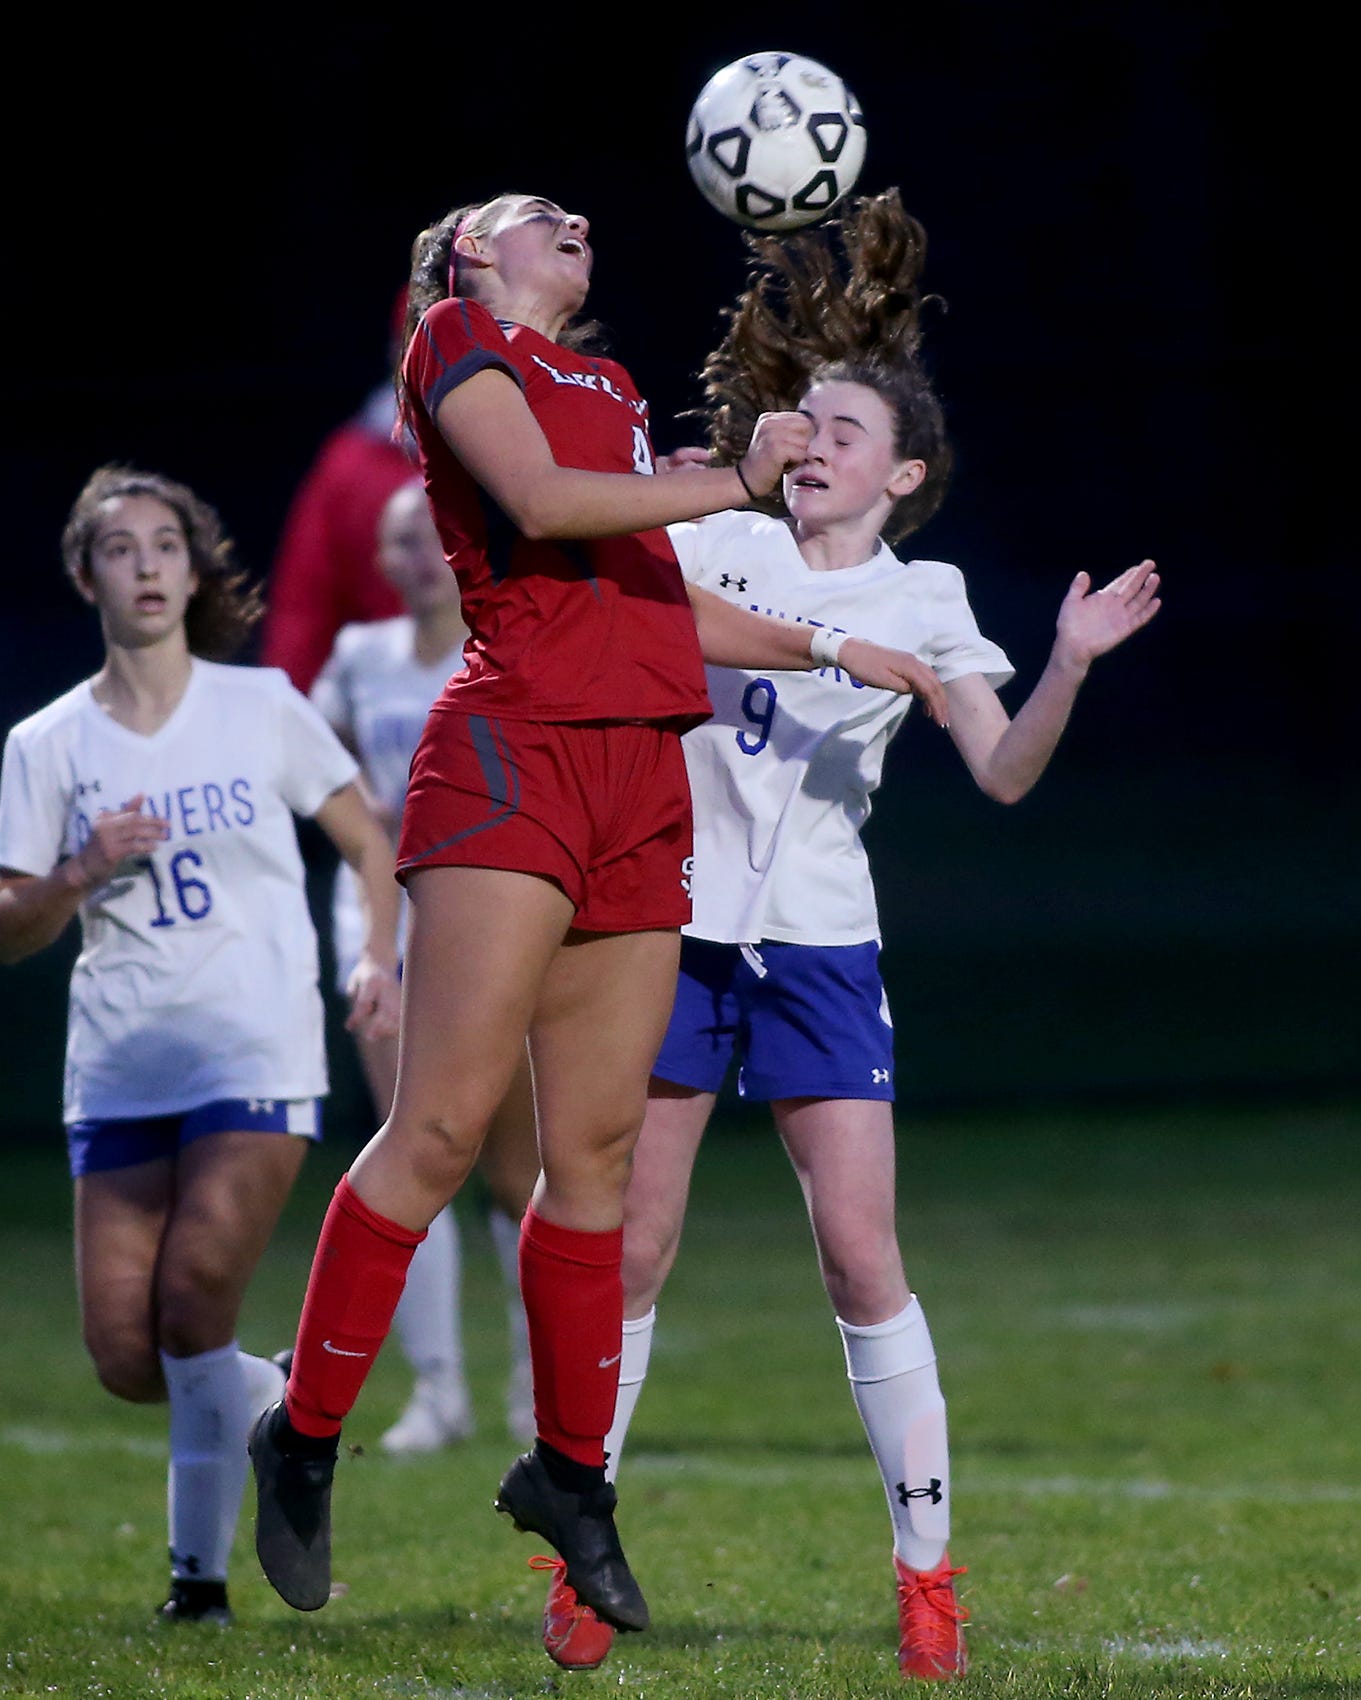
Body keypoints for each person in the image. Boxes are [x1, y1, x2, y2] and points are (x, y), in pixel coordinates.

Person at [247, 189, 950, 1649]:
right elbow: (554, 512)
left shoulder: (613, 388)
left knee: (602, 1158)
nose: (568, 218)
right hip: (517, 752)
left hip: (640, 771)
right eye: (529, 213)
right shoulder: (454, 338)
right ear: (467, 257)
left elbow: (646, 599)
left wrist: (829, 643)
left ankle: (572, 1480)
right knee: (438, 1131)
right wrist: (736, 490)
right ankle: (303, 1433)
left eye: (572, 213)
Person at [535, 188, 1162, 1679]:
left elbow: (1003, 772)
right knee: (630, 1247)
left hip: (818, 947)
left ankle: (927, 1573)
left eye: (843, 433)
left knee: (859, 1260)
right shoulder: (720, 543)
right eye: (802, 420)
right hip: (670, 934)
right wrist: (708, 515)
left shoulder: (927, 595)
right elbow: (645, 627)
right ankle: (580, 1550)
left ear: (906, 475)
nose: (811, 443)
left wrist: (1066, 664)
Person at [0, 465, 402, 1626]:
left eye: (165, 544)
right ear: (88, 575)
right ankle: (282, 1394)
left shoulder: (259, 704)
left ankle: (198, 1587)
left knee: (188, 1305)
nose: (147, 566)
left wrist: (373, 955)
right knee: (127, 1357)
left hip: (254, 1046)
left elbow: (369, 839)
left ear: (191, 565)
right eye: (120, 549)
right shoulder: (47, 742)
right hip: (121, 1061)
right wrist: (79, 869)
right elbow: (13, 926)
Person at [309, 474, 539, 1452]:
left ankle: (540, 1393)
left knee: (516, 1163)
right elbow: (317, 773)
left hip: (489, 917)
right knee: (410, 1150)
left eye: (431, 536)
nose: (418, 556)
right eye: (399, 540)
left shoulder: (510, 644)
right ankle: (437, 1390)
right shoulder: (358, 657)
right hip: (385, 919)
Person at [260, 287, 418, 696]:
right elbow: (305, 606)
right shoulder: (350, 466)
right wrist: (288, 717)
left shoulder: (543, 456)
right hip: (388, 703)